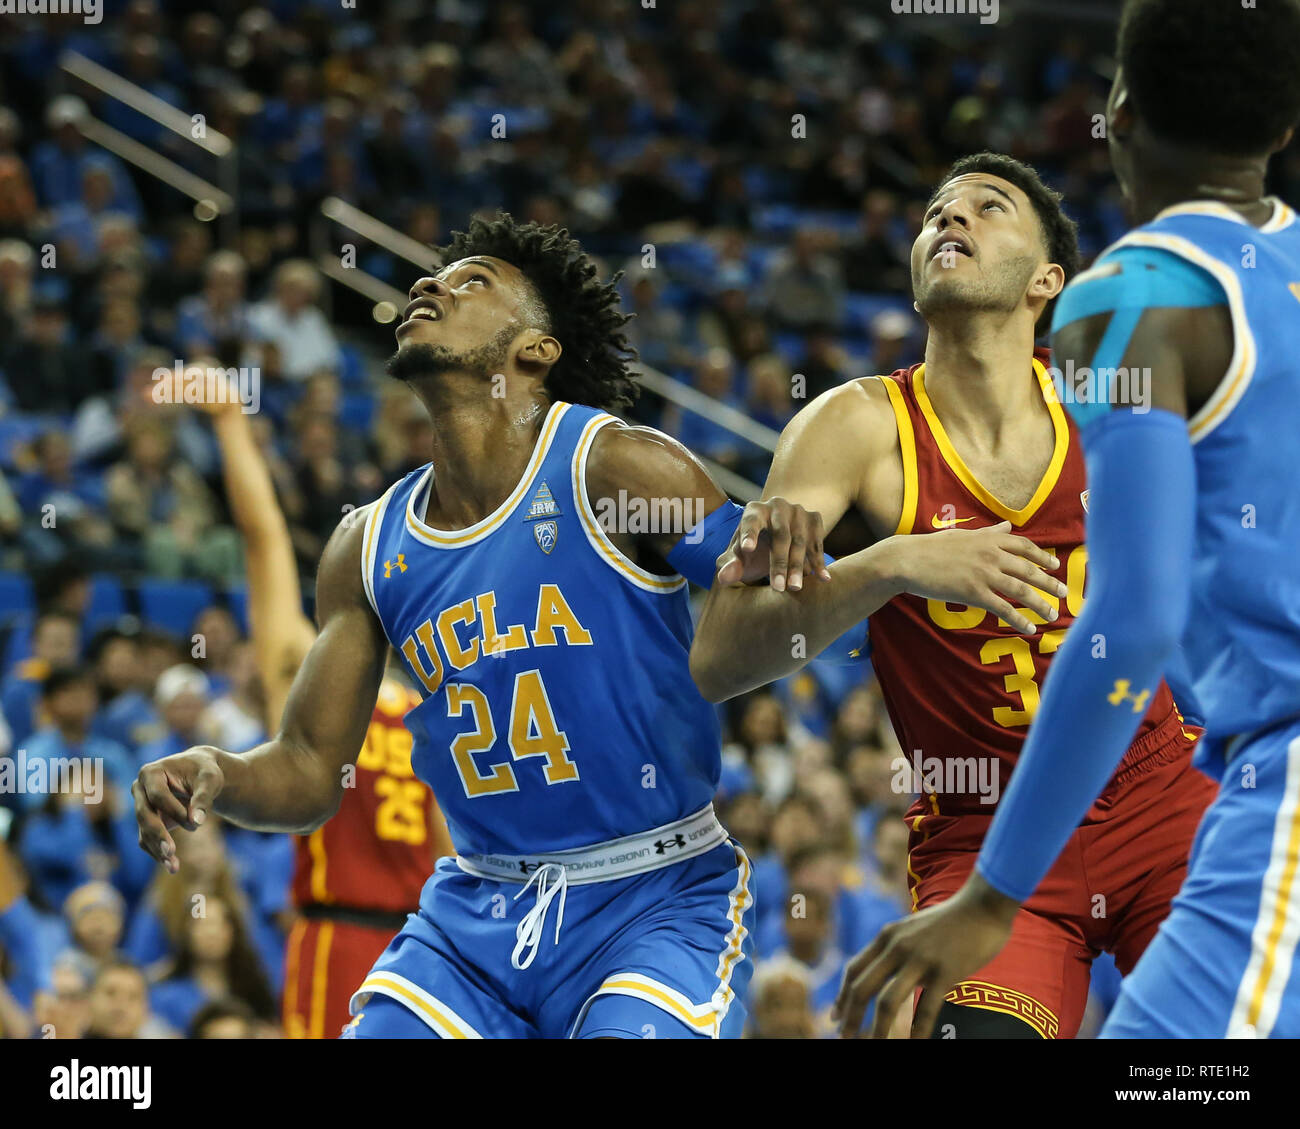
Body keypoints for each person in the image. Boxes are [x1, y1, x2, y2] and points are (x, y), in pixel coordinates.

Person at [133, 214, 822, 1039]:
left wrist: (875, 563)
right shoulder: (368, 544)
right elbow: (312, 769)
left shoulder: (616, 467)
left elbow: (774, 605)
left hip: (655, 893)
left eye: (472, 283)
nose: (430, 285)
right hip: (476, 911)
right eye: (434, 277)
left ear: (534, 350)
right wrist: (217, 766)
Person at [830, 0, 1300, 1040]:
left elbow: (1130, 626)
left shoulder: (1129, 299)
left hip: (1253, 784)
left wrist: (989, 899)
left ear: (1118, 112)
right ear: (1281, 130)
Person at [692, 151, 1214, 1039]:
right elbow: (720, 657)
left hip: (1160, 798)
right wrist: (892, 562)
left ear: (1048, 278)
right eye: (936, 211)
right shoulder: (850, 427)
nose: (950, 220)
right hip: (983, 829)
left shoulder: (1105, 396)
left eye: (988, 206)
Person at [189, 380, 454, 1039]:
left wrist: (228, 420)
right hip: (424, 950)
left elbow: (266, 540)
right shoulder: (448, 706)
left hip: (355, 939)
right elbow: (265, 540)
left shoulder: (323, 680)